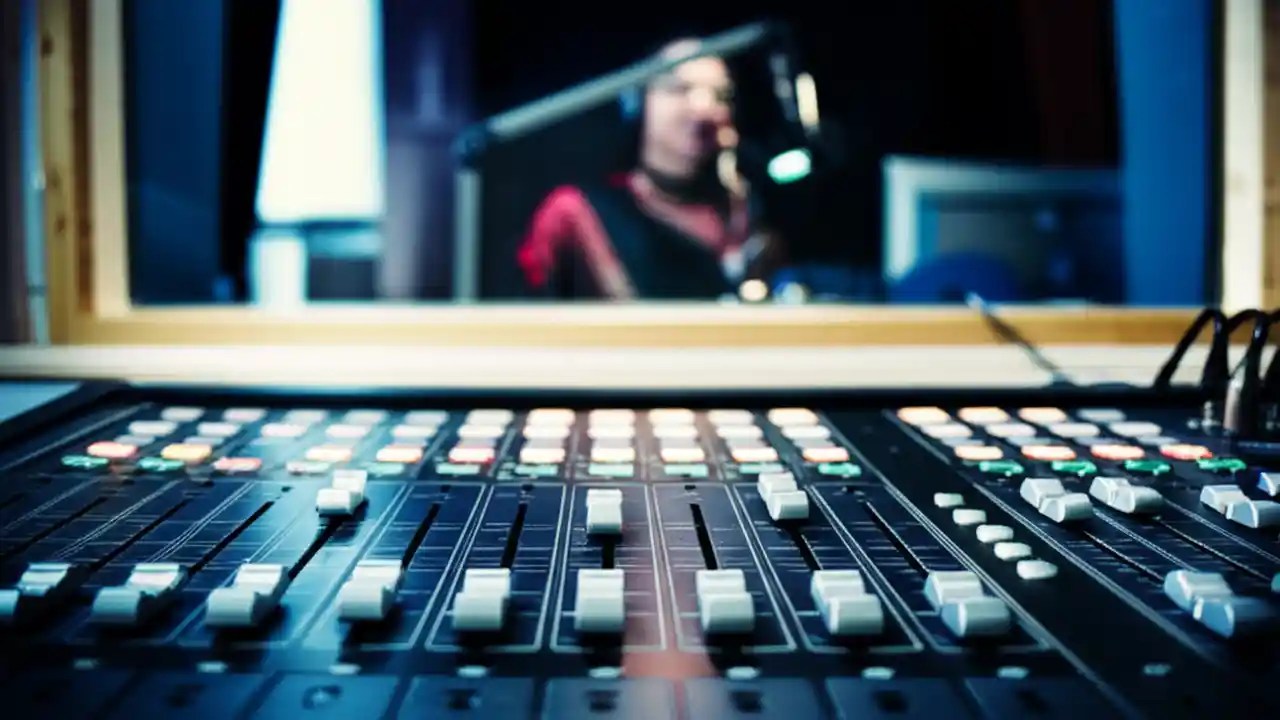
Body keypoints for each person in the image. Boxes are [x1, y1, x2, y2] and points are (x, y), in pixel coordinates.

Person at [517, 38, 782, 300]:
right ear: (638, 102)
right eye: (681, 89)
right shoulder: (576, 213)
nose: (704, 108)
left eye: (720, 96)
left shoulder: (749, 212)